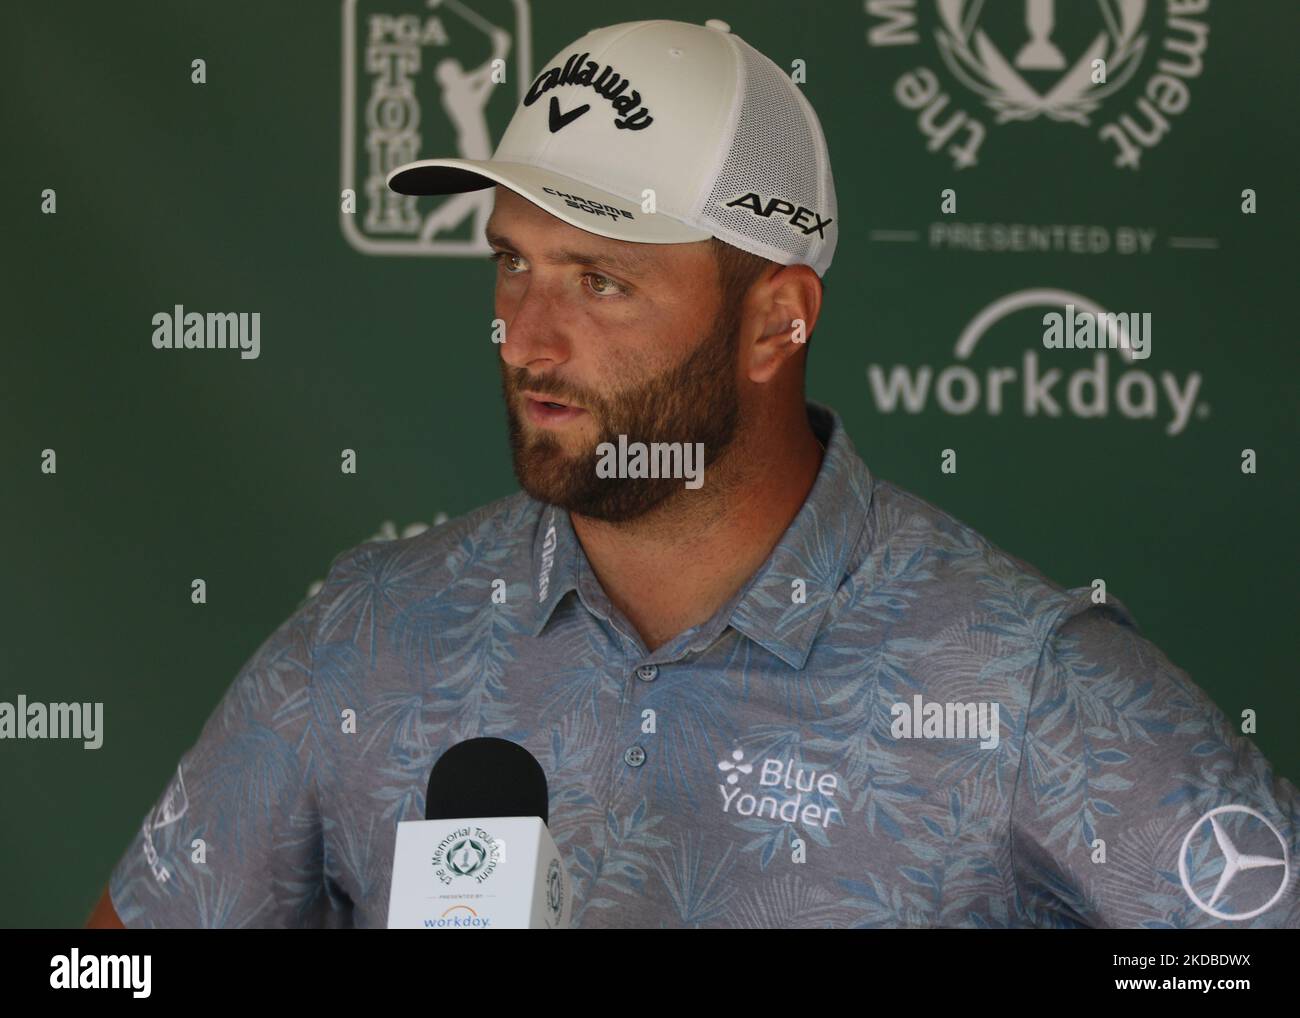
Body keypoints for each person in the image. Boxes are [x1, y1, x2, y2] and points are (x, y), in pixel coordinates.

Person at [90, 18, 1297, 929]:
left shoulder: (1020, 678)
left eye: (602, 279)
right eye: (514, 264)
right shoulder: (369, 635)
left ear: (776, 319)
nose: (529, 335)